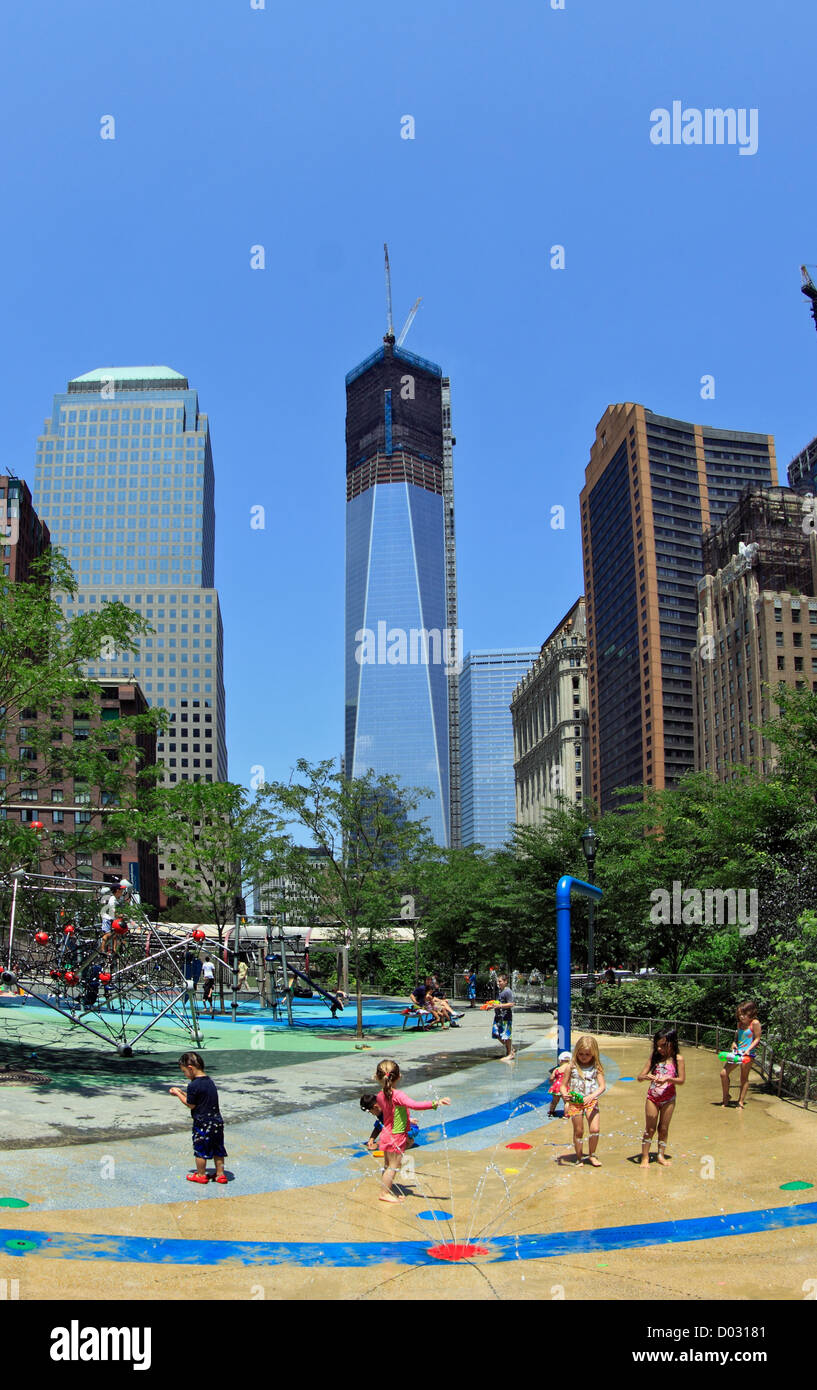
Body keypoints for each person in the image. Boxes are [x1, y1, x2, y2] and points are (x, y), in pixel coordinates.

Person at [372, 1059, 450, 1203]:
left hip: (387, 1134)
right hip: (396, 1136)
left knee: (388, 1165)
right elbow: (414, 1105)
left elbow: (391, 1114)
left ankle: (387, 1190)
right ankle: (384, 1193)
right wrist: (436, 1103)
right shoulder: (398, 1095)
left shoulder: (380, 1095)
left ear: (377, 1077)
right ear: (399, 1076)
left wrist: (408, 1121)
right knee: (394, 1166)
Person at [168, 1051, 228, 1184]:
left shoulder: (194, 1084)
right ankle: (220, 1174)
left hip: (202, 1123)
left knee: (200, 1149)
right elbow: (198, 1098)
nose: (185, 1075)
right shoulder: (209, 1081)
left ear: (190, 1068)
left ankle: (201, 1174)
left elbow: (190, 1104)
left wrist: (178, 1093)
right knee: (218, 1148)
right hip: (217, 1122)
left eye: (184, 1072)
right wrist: (182, 1092)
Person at [638, 1027, 685, 1166]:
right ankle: (645, 1156)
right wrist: (646, 1076)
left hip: (669, 1098)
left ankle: (660, 1155)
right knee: (650, 1129)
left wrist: (667, 1079)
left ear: (672, 1043)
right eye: (657, 1046)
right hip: (652, 1097)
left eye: (663, 1046)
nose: (659, 1049)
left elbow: (681, 1080)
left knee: (663, 1129)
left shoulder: (678, 1059)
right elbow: (639, 1076)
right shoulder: (654, 1057)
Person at [560, 1035, 606, 1165]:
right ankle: (579, 1157)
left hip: (591, 1101)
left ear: (594, 1053)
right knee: (579, 1131)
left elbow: (602, 1086)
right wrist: (565, 1095)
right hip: (576, 1102)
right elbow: (563, 1086)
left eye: (587, 1054)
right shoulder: (572, 1066)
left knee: (595, 1130)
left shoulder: (596, 1067)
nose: (584, 1057)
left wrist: (592, 1096)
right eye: (580, 1054)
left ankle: (592, 1155)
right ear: (576, 1052)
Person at [720, 1000, 762, 1109]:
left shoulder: (755, 1023)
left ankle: (741, 1101)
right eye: (740, 1015)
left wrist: (749, 1049)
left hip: (748, 1054)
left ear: (750, 1013)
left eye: (744, 1014)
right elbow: (737, 1039)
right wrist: (734, 1044)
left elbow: (757, 1038)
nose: (741, 1017)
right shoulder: (739, 1024)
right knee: (723, 1073)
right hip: (738, 1053)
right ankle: (726, 1097)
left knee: (744, 1077)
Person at [492, 973, 515, 1062]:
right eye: (498, 981)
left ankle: (510, 1053)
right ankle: (511, 1049)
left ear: (505, 982)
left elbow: (511, 1004)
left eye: (500, 981)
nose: (498, 983)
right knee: (496, 1034)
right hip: (498, 1017)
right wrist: (491, 1006)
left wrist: (499, 1006)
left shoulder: (507, 991)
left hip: (506, 1017)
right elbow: (499, 1003)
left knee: (506, 1035)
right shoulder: (500, 991)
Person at [548, 1051, 572, 1117]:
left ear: (560, 1060)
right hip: (566, 1086)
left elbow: (551, 1078)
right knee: (567, 1102)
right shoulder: (570, 1068)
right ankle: (566, 1115)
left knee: (555, 1101)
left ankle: (551, 1112)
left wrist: (551, 1082)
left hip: (557, 1086)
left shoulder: (557, 1069)